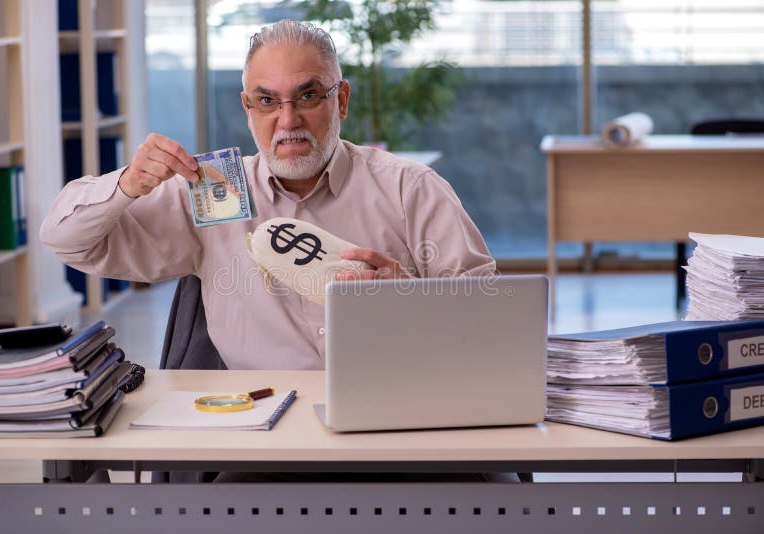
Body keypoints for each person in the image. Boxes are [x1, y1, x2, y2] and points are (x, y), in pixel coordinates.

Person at [40, 19, 495, 370]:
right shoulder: (213, 190)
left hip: (398, 423)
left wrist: (412, 299)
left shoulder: (409, 189)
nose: (288, 119)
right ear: (247, 108)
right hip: (265, 446)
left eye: (309, 95)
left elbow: (489, 323)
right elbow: (67, 240)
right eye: (267, 101)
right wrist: (126, 187)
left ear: (341, 100)